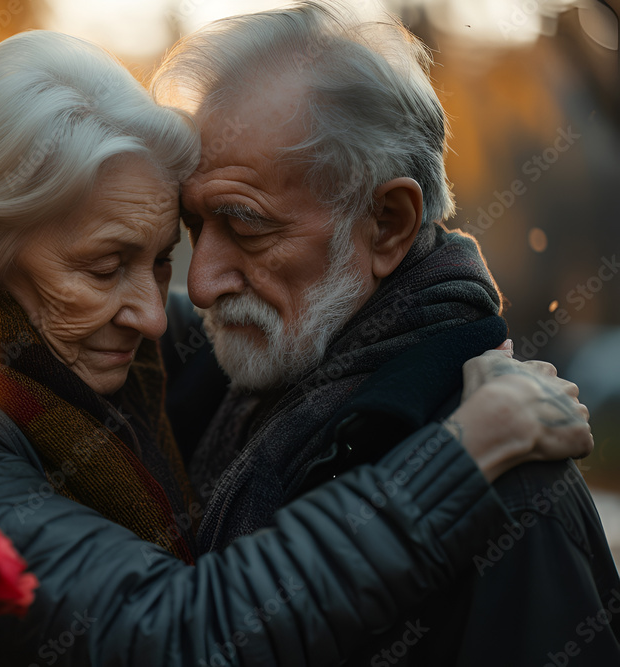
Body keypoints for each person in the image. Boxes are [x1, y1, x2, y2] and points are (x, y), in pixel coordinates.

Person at [0, 30, 593, 666]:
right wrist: (455, 463)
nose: (163, 312)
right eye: (104, 265)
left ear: (388, 224)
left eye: (164, 256)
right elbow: (172, 632)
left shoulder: (506, 472)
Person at [151, 2, 620, 664]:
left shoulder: (511, 493)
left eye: (247, 225)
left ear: (390, 222)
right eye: (195, 229)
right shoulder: (231, 380)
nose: (200, 284)